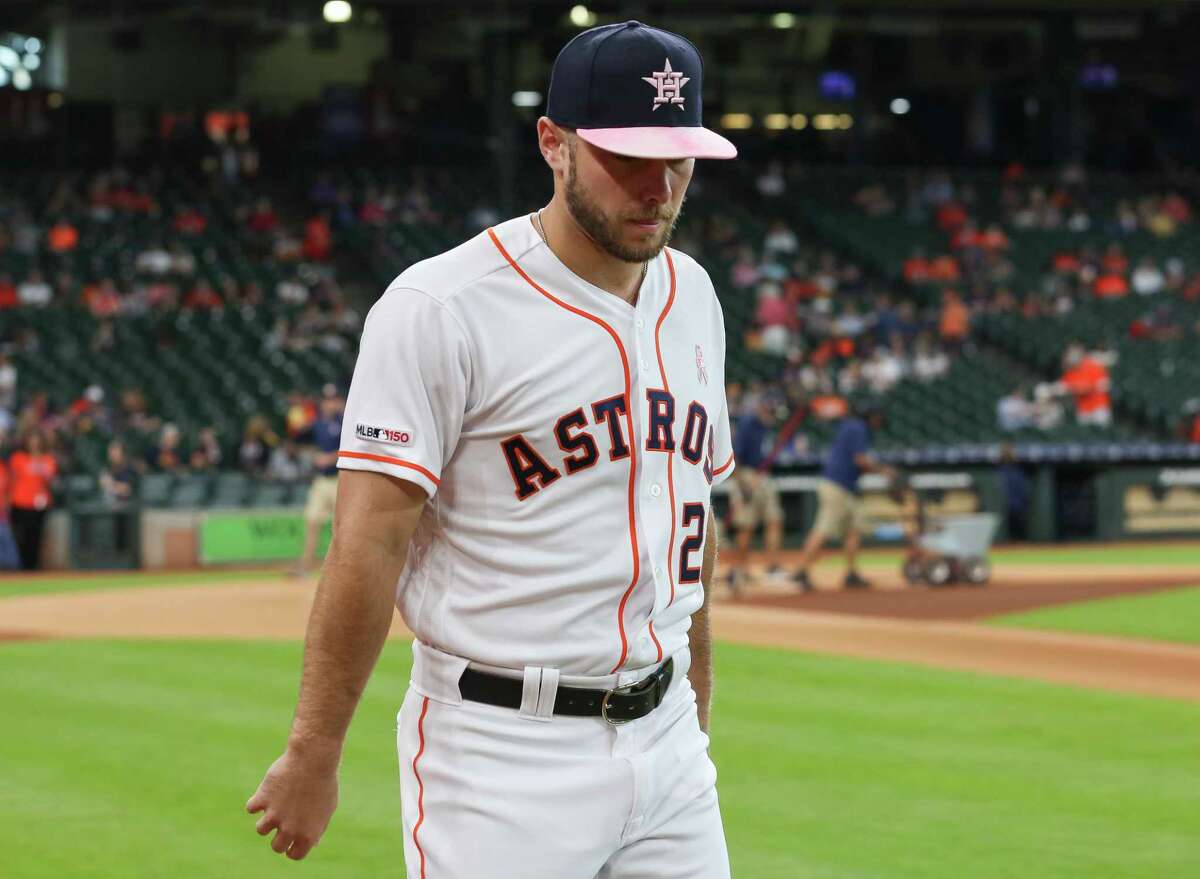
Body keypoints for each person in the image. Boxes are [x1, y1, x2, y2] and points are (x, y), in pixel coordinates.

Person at [247, 21, 738, 877]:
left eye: (679, 158)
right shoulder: (443, 306)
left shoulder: (693, 294)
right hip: (502, 753)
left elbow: (690, 525)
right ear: (554, 143)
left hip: (668, 747)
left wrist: (693, 709)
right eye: (626, 157)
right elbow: (370, 543)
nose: (657, 186)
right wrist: (314, 750)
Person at [793, 405, 895, 591]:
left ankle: (851, 573)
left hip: (846, 487)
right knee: (824, 529)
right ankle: (801, 570)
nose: (879, 424)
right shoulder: (858, 427)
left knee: (853, 530)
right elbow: (860, 460)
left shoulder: (852, 426)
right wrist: (884, 470)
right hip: (836, 486)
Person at [723, 399, 786, 595]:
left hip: (763, 477)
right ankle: (739, 570)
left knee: (775, 519)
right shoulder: (748, 424)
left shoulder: (765, 427)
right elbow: (736, 457)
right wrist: (742, 484)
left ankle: (773, 567)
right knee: (746, 526)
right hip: (747, 476)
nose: (772, 417)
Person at [289, 386, 343, 577]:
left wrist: (330, 458)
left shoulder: (344, 421)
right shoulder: (317, 423)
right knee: (312, 521)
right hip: (321, 480)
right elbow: (298, 438)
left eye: (333, 399)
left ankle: (341, 569)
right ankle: (306, 566)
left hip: (341, 480)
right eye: (326, 399)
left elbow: (352, 448)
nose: (329, 403)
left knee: (342, 526)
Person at [8, 430, 59, 570]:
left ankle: (32, 568)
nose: (34, 443)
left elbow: (51, 477)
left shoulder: (48, 459)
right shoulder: (18, 458)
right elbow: (12, 480)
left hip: (39, 505)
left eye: (37, 440)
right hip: (19, 503)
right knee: (20, 537)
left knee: (35, 538)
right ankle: (22, 566)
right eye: (31, 440)